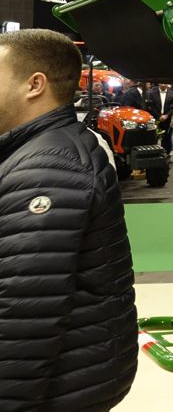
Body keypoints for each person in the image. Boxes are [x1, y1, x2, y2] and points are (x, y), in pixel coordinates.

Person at [0, 29, 137, 409]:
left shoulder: (47, 167)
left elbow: (24, 315)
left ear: (34, 85)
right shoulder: (38, 150)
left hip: (56, 385)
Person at [145, 81, 173, 156]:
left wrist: (167, 115)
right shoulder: (151, 93)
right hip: (155, 119)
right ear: (159, 83)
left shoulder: (172, 93)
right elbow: (151, 107)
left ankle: (166, 155)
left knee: (167, 138)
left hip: (167, 119)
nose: (163, 84)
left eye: (165, 83)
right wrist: (159, 116)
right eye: (162, 83)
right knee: (154, 137)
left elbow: (172, 107)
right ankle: (154, 155)